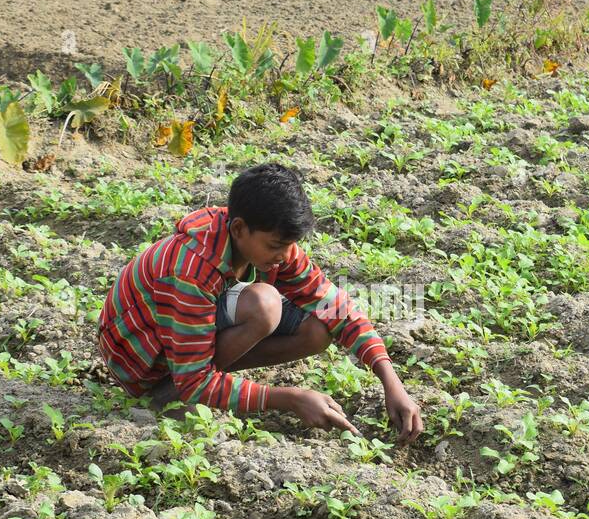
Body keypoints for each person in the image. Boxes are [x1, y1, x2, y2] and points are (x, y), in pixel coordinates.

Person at [97, 162, 424, 444]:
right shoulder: (189, 270)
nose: (284, 256)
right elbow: (194, 376)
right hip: (143, 365)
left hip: (187, 340)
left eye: (289, 245)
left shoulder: (275, 248)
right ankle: (169, 395)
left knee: (317, 329)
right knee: (264, 305)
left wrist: (391, 383)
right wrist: (289, 399)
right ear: (239, 229)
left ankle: (204, 383)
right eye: (275, 246)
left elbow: (336, 307)